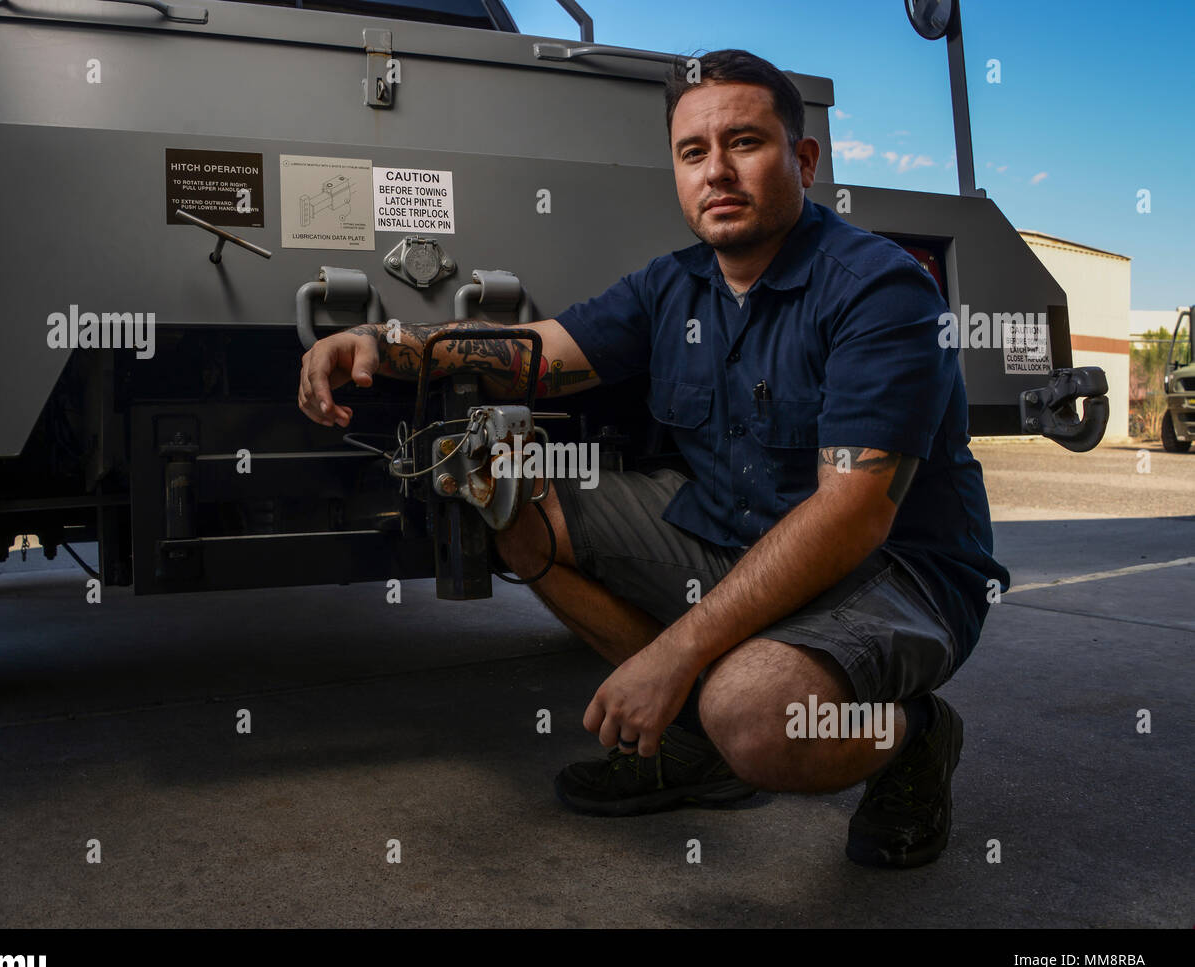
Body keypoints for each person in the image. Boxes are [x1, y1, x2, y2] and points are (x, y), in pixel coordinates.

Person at [298, 49, 1009, 869]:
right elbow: (533, 352)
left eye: (745, 143)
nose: (718, 172)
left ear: (803, 159)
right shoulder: (672, 288)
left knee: (753, 714)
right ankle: (691, 747)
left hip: (891, 575)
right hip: (736, 538)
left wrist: (675, 656)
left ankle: (914, 733)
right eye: (693, 152)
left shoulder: (877, 290)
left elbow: (852, 513)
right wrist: (382, 342)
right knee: (512, 502)